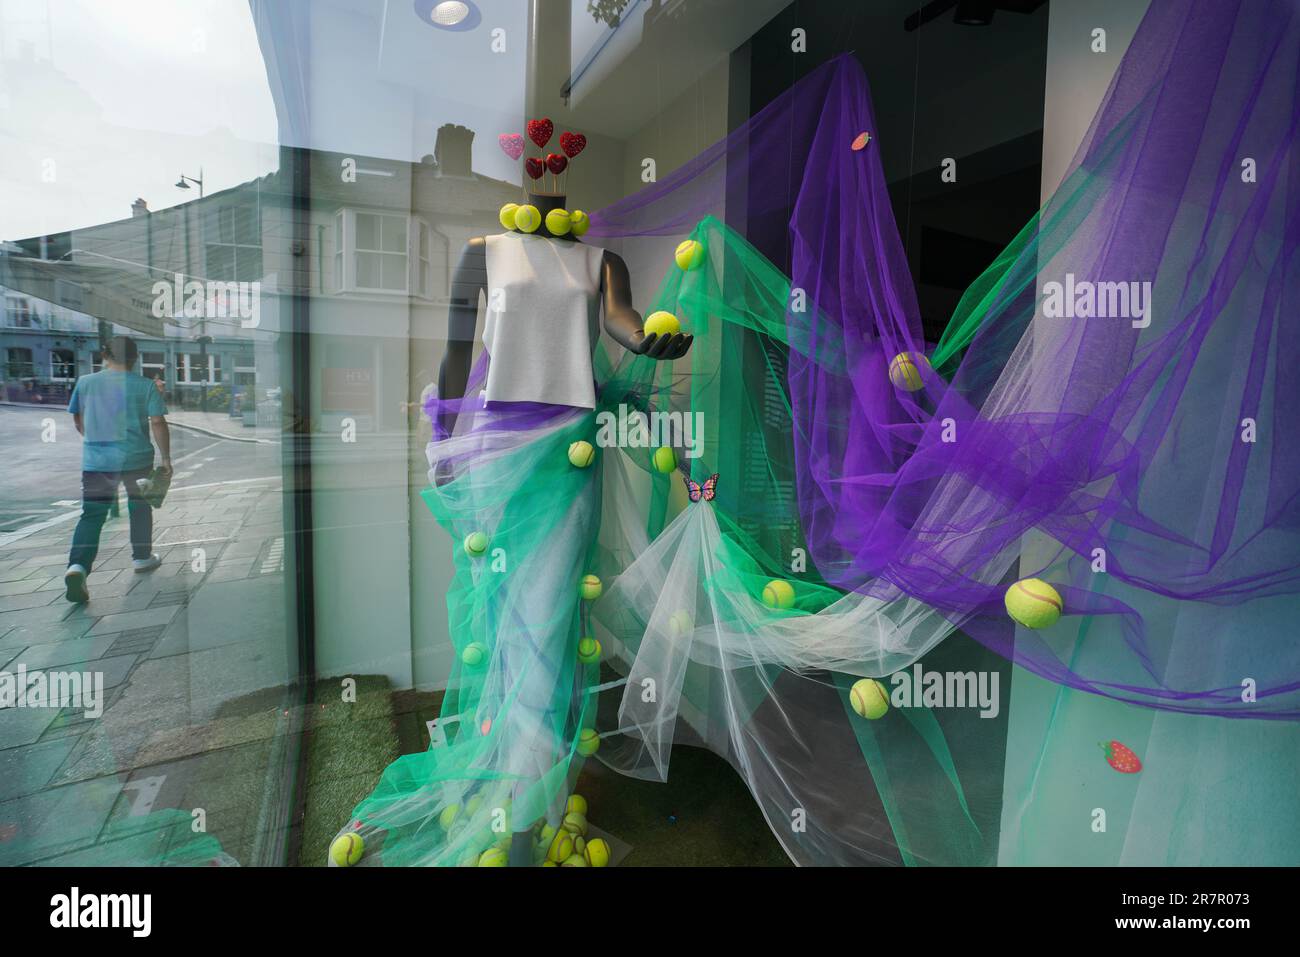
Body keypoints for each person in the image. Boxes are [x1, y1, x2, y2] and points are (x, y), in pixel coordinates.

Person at [63, 335, 173, 604]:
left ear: (104, 354)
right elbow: (158, 422)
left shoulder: (86, 383)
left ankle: (77, 567)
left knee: (92, 515)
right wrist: (166, 458)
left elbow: (79, 420)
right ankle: (142, 557)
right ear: (134, 359)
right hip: (136, 458)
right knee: (139, 506)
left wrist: (96, 441)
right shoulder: (145, 386)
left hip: (98, 461)